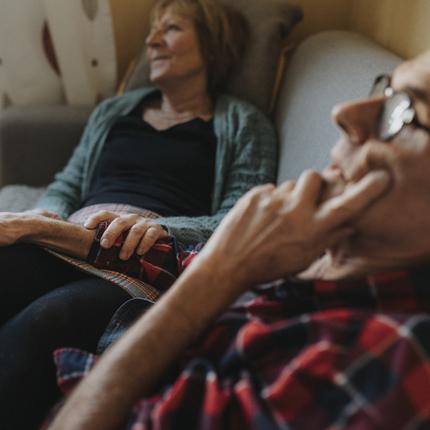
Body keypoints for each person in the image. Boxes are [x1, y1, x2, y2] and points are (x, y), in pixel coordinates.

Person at [34, 49, 430, 429]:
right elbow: (178, 257)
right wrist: (42, 225)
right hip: (106, 246)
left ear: (210, 50)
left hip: (104, 386)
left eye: (405, 110)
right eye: (385, 89)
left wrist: (217, 272)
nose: (343, 113)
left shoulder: (389, 358)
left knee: (41, 323)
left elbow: (220, 237)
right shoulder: (318, 247)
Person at [0, 0, 277, 428]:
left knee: (41, 325)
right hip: (68, 239)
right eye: (153, 30)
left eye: (171, 28)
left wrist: (157, 227)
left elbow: (237, 216)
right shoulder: (116, 111)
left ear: (212, 45)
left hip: (140, 257)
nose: (151, 41)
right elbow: (67, 184)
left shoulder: (244, 123)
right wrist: (51, 219)